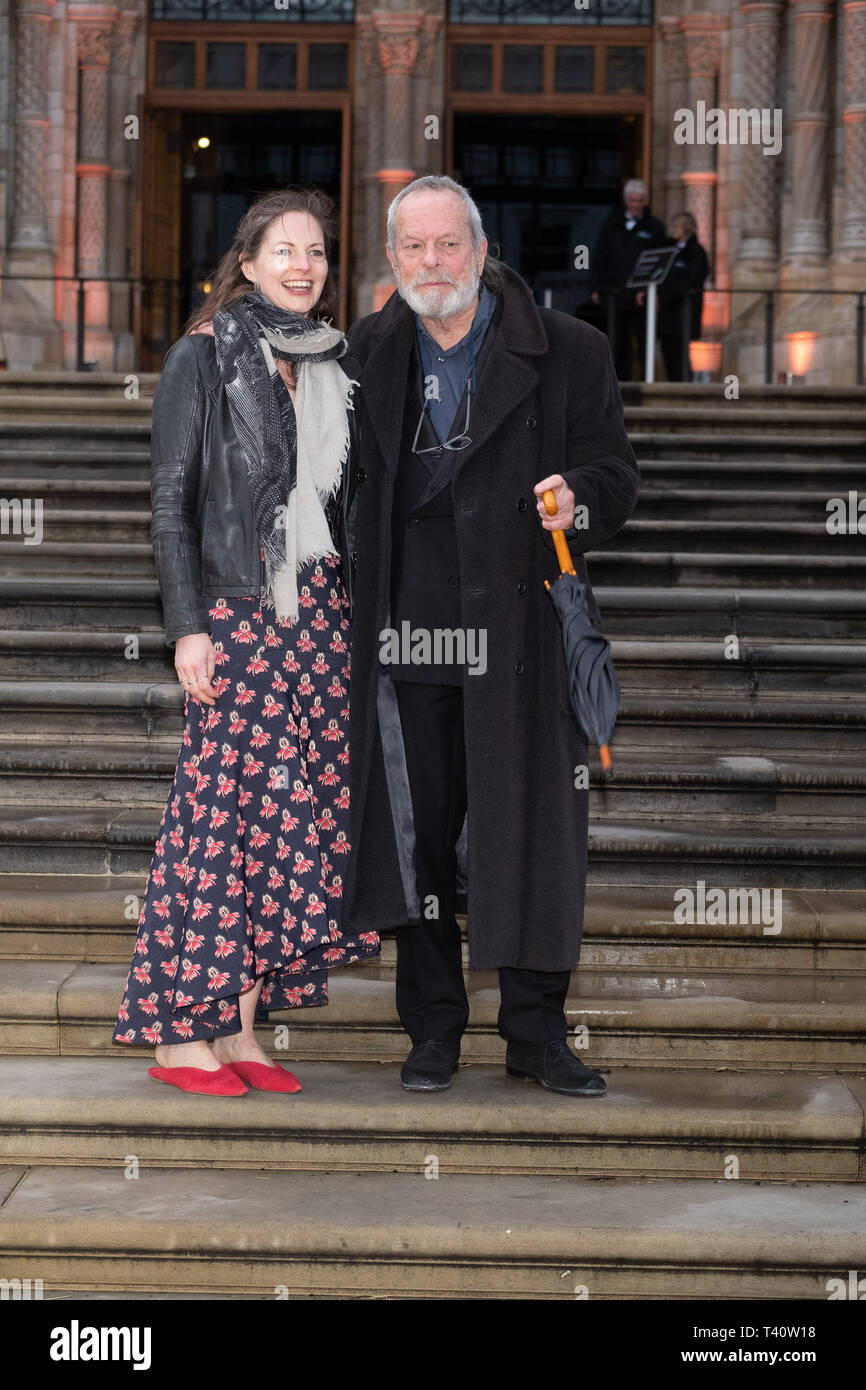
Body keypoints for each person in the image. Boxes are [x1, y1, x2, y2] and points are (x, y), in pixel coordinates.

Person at [342, 175, 639, 1097]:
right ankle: (433, 1028)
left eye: (450, 245)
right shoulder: (358, 356)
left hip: (519, 635)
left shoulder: (571, 350)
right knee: (418, 835)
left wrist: (577, 496)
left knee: (531, 832)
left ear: (482, 249)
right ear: (392, 260)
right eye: (414, 248)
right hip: (406, 637)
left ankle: (536, 1033)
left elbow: (617, 477)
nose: (434, 263)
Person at [112, 188, 380, 1095]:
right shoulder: (204, 356)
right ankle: (181, 1035)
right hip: (236, 612)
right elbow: (170, 504)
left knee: (291, 825)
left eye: (316, 253)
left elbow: (342, 508)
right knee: (220, 819)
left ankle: (242, 1031)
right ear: (249, 261)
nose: (304, 266)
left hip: (317, 619)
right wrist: (186, 627)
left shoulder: (330, 367)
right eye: (285, 251)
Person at [590, 178, 665, 380]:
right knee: (615, 341)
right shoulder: (611, 224)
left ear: (645, 201)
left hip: (641, 296)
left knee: (644, 341)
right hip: (614, 293)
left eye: (640, 200)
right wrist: (595, 288)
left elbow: (661, 261)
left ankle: (646, 384)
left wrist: (652, 291)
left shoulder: (655, 227)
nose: (636, 205)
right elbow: (599, 256)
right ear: (626, 201)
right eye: (632, 200)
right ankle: (614, 385)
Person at [657, 211, 710, 382]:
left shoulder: (696, 252)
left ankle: (684, 384)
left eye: (676, 226)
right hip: (667, 312)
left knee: (680, 353)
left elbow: (692, 280)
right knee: (668, 349)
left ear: (686, 229)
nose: (672, 230)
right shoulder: (668, 249)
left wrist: (667, 295)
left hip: (684, 312)